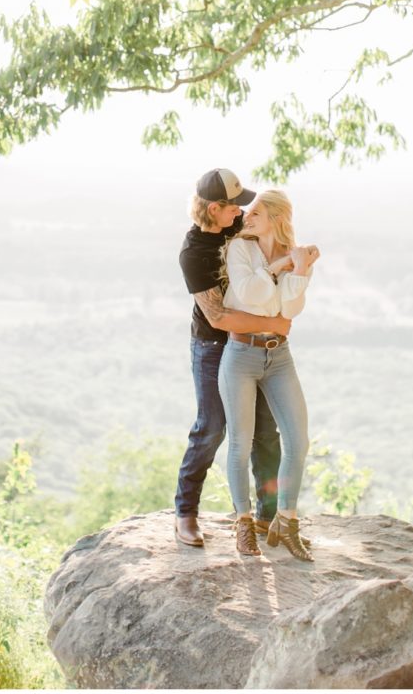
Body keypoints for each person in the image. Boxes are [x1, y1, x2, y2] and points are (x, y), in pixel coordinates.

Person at [172, 167, 291, 548]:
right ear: (212, 208)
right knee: (212, 428)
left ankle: (267, 517)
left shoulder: (235, 228)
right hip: (213, 347)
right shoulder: (194, 254)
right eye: (233, 207)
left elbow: (272, 242)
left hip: (252, 344)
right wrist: (273, 322)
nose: (240, 213)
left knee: (265, 432)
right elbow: (218, 316)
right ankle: (185, 513)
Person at [218, 189, 319, 559]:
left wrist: (302, 269)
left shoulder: (293, 255)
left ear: (276, 217)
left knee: (298, 440)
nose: (247, 215)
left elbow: (289, 309)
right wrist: (279, 269)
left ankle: (286, 523)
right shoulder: (239, 250)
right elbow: (252, 293)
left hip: (279, 356)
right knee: (240, 443)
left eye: (257, 211)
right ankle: (244, 524)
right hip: (241, 355)